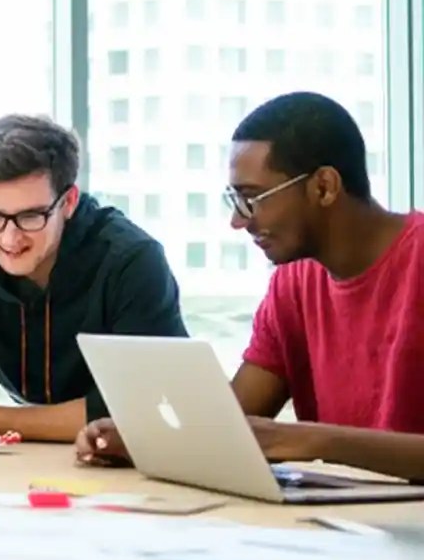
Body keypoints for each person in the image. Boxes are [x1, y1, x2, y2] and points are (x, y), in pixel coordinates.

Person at [77, 92, 424, 482]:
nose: (238, 222)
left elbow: (278, 439)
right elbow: (236, 418)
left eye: (251, 198)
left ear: (324, 187)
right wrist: (143, 440)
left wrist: (310, 442)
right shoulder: (293, 284)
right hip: (351, 525)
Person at [0, 114, 187, 442]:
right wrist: (75, 419)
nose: (10, 239)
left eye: (31, 216)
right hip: (28, 463)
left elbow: (150, 410)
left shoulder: (132, 260)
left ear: (68, 202)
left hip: (128, 460)